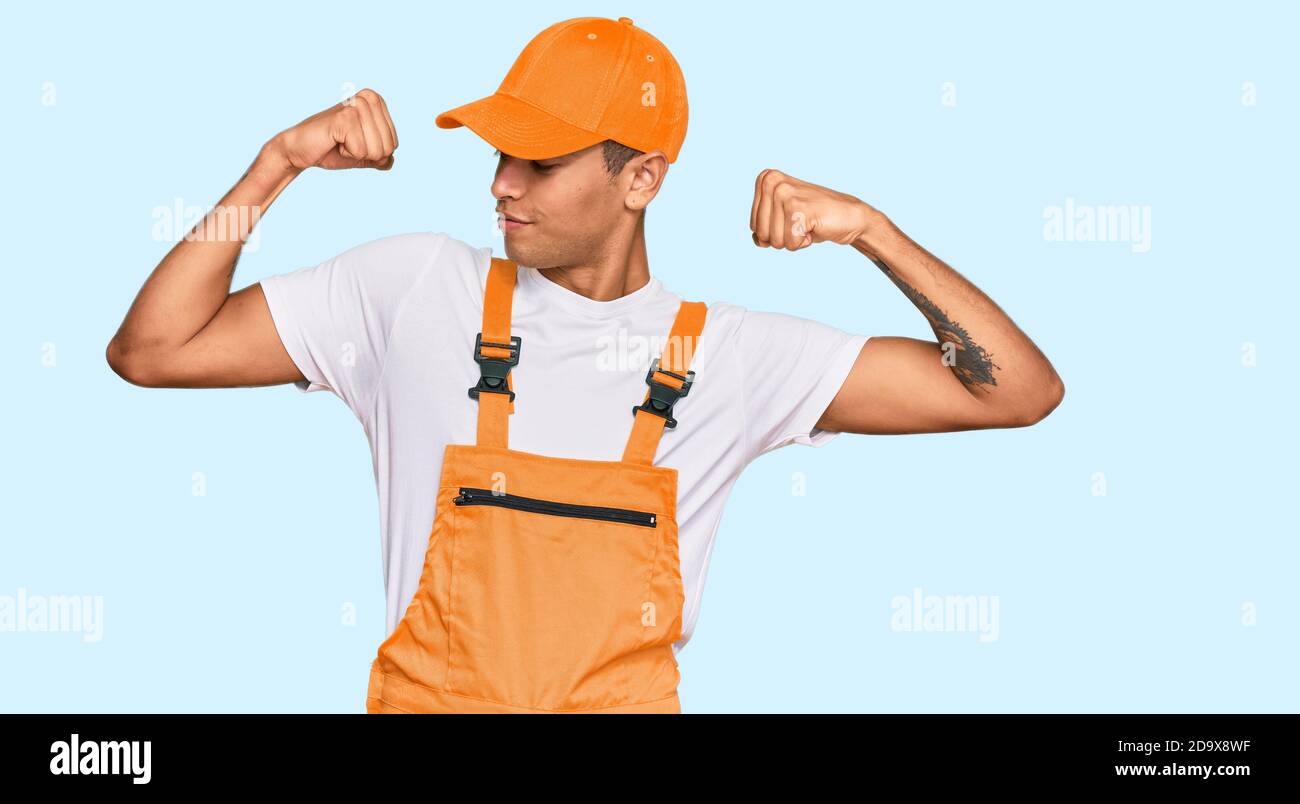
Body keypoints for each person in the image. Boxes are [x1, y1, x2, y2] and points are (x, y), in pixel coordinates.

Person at [105, 16, 1063, 712]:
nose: (500, 185)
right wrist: (276, 164)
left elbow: (1019, 391)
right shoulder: (408, 292)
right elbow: (152, 349)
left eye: (540, 161)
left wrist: (873, 233)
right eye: (497, 154)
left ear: (640, 177)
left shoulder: (731, 357)